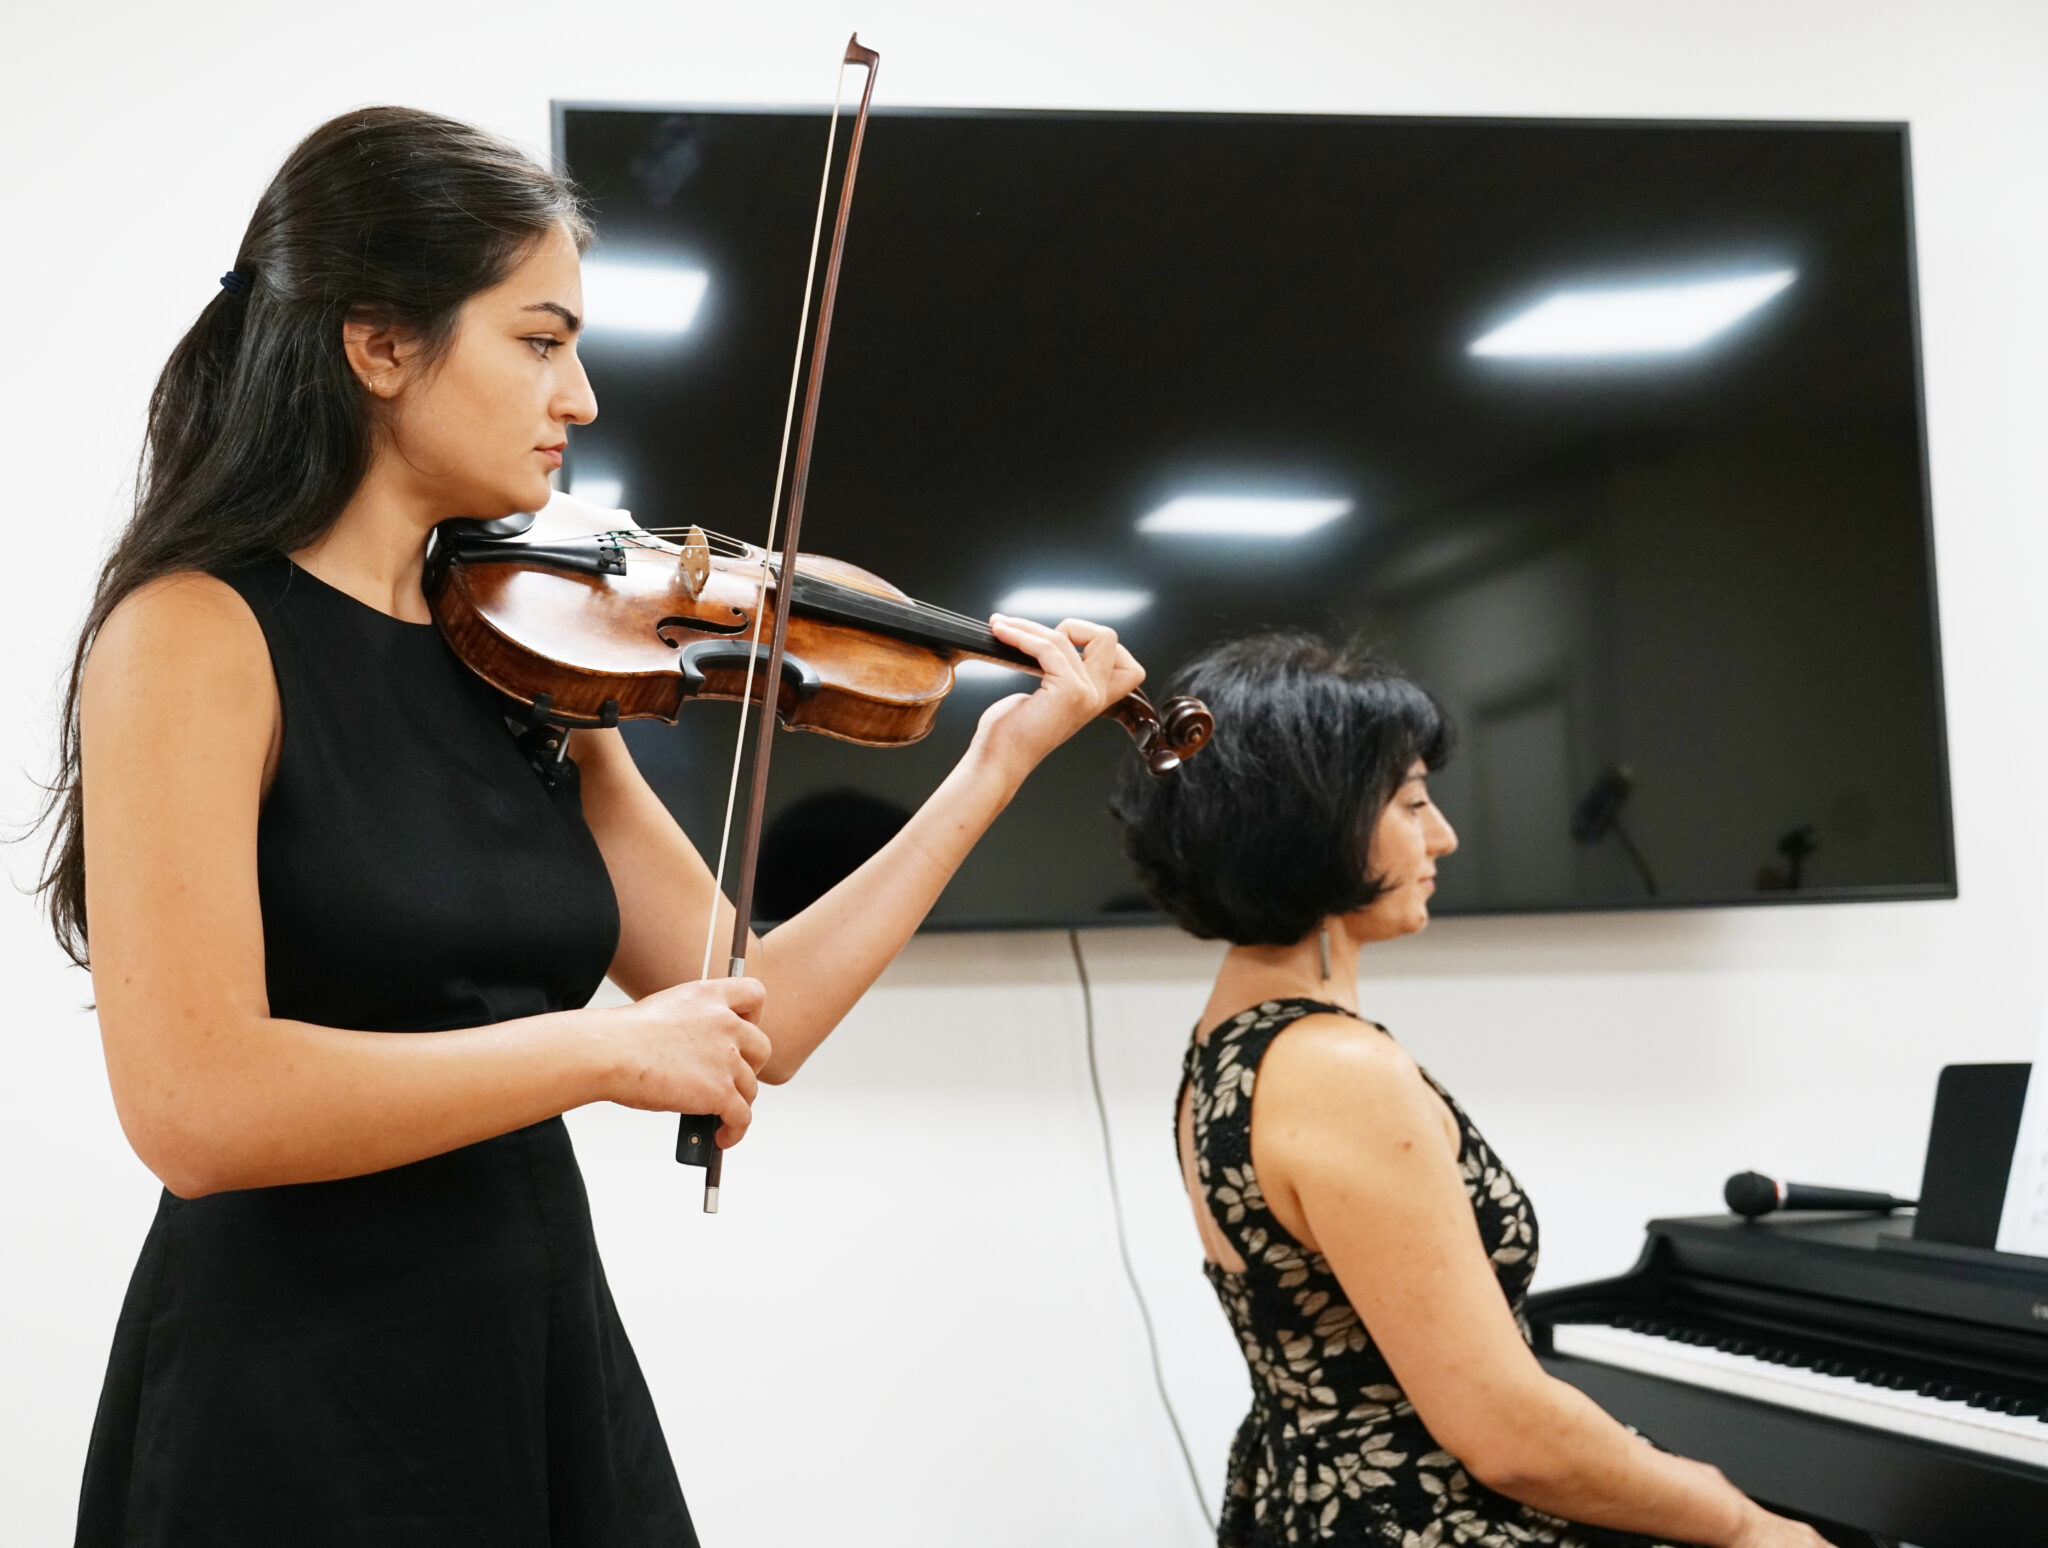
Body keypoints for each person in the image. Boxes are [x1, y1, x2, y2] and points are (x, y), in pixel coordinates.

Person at [41, 106, 1144, 1546]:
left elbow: (756, 1015)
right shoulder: (196, 632)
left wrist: (991, 768)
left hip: (533, 1340)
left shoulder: (519, 656)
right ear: (378, 345)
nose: (582, 398)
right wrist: (602, 1051)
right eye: (539, 340)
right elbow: (194, 1109)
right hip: (294, 1390)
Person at [1111, 634, 1828, 1548]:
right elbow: (1508, 1437)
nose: (1442, 834)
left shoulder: (1227, 1041)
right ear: (1311, 824)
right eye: (1411, 803)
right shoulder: (1336, 1069)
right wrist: (1747, 1526)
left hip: (1303, 1498)